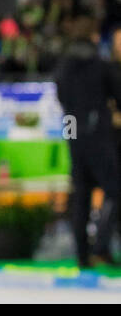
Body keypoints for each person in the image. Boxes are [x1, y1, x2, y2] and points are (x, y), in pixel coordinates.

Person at [53, 15, 121, 268]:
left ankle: (82, 255)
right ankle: (100, 246)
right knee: (114, 190)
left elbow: (61, 96)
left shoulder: (64, 67)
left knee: (81, 195)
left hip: (73, 137)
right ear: (94, 37)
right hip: (100, 137)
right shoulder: (99, 65)